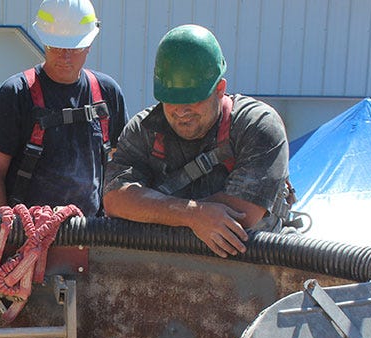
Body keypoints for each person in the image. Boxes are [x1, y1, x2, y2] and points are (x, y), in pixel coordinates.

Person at [103, 24, 291, 258]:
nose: (181, 111)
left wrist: (153, 212)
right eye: (171, 101)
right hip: (167, 269)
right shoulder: (145, 129)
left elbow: (243, 215)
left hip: (251, 266)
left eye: (192, 100)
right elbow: (115, 198)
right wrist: (193, 214)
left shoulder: (256, 126)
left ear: (220, 89)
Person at [0, 0, 127, 217]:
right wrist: (2, 238)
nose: (65, 57)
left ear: (89, 44)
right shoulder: (16, 93)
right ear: (44, 41)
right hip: (27, 236)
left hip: (93, 235)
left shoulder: (107, 93)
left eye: (74, 48)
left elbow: (119, 171)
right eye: (56, 46)